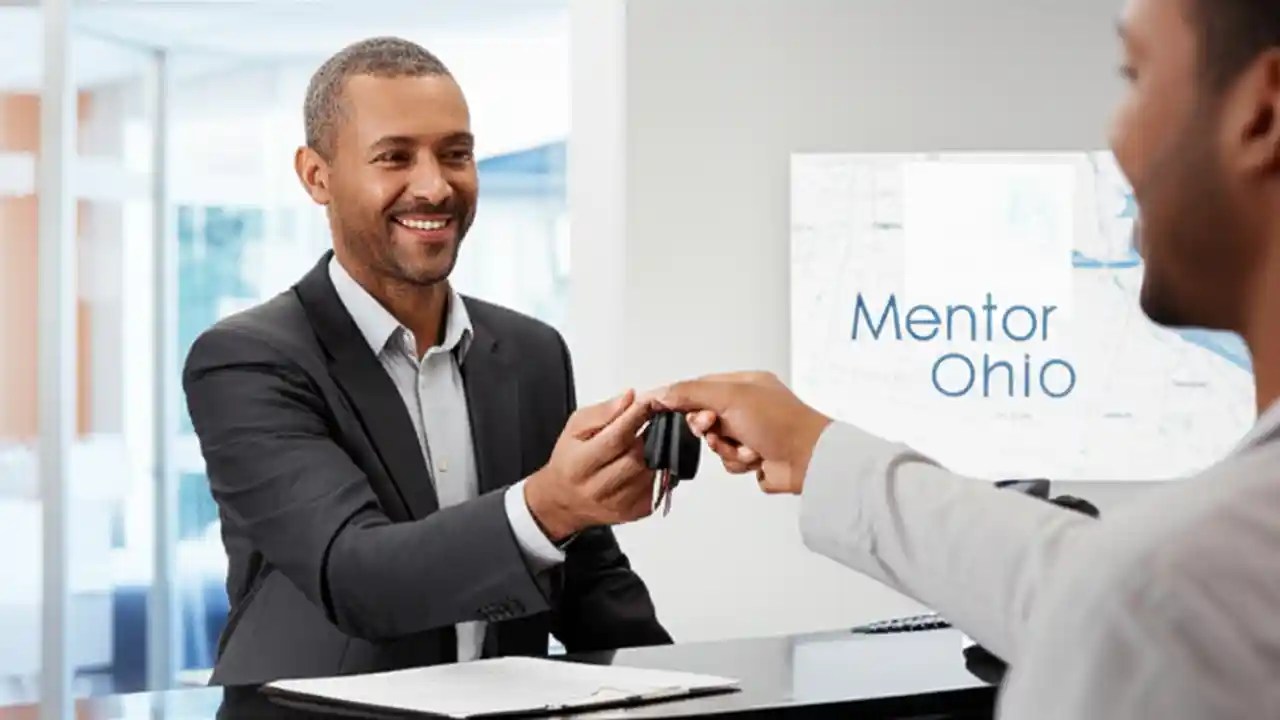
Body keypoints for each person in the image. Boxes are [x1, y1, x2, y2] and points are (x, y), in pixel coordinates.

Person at [656, 0, 1280, 717]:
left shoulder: (1166, 597)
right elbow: (1080, 583)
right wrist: (817, 451)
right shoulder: (1189, 583)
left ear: (1261, 112)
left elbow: (1133, 598)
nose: (1116, 141)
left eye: (1134, 76)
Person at [183, 37, 669, 686]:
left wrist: (685, 686)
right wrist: (547, 504)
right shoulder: (246, 360)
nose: (435, 186)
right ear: (316, 176)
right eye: (394, 157)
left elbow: (587, 579)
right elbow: (354, 574)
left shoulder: (532, 352)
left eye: (456, 154)